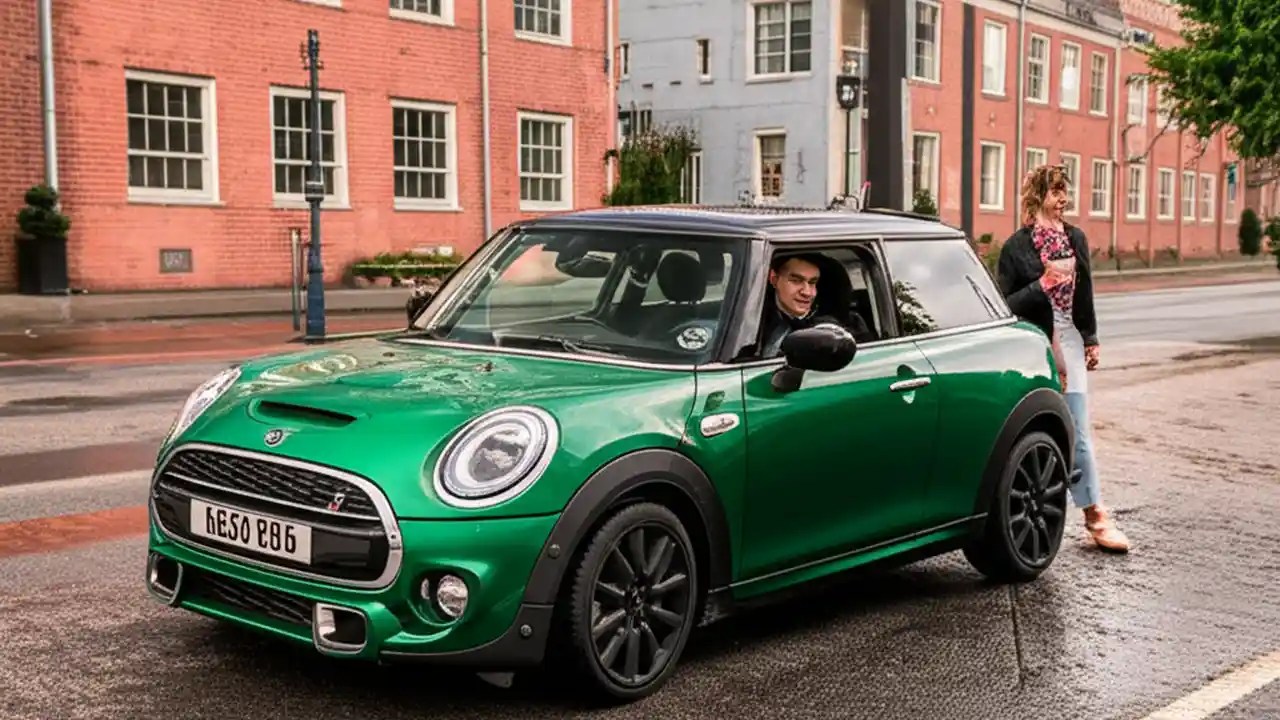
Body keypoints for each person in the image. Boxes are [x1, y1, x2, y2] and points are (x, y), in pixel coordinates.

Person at [996, 164, 1130, 554]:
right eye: (1056, 191)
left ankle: (1095, 515)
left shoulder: (1076, 238)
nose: (1063, 198)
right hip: (1035, 346)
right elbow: (1005, 306)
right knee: (1034, 429)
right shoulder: (1016, 247)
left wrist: (1090, 337)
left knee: (1079, 429)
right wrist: (1042, 285)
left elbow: (1086, 290)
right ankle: (1025, 507)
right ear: (1038, 195)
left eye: (1065, 191)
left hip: (1070, 341)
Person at [757, 252, 869, 358]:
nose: (807, 292)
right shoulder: (753, 319)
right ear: (774, 279)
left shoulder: (834, 329)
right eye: (796, 281)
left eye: (812, 283)